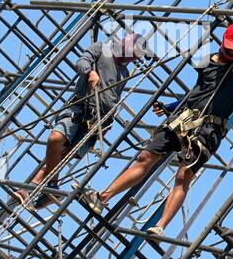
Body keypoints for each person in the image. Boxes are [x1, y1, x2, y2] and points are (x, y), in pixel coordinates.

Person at [82, 20, 233, 236]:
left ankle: (160, 227)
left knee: (183, 175)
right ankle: (103, 197)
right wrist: (171, 106)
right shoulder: (207, 62)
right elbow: (197, 93)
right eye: (229, 49)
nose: (231, 54)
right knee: (146, 156)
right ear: (223, 43)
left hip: (209, 128)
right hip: (184, 118)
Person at [14, 32, 144, 208]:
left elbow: (114, 98)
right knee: (55, 139)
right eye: (131, 54)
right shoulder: (101, 48)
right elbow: (81, 61)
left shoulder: (124, 73)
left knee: (63, 154)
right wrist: (90, 72)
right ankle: (51, 186)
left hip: (96, 120)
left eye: (133, 58)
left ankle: (34, 187)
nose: (129, 59)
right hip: (79, 107)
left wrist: (107, 122)